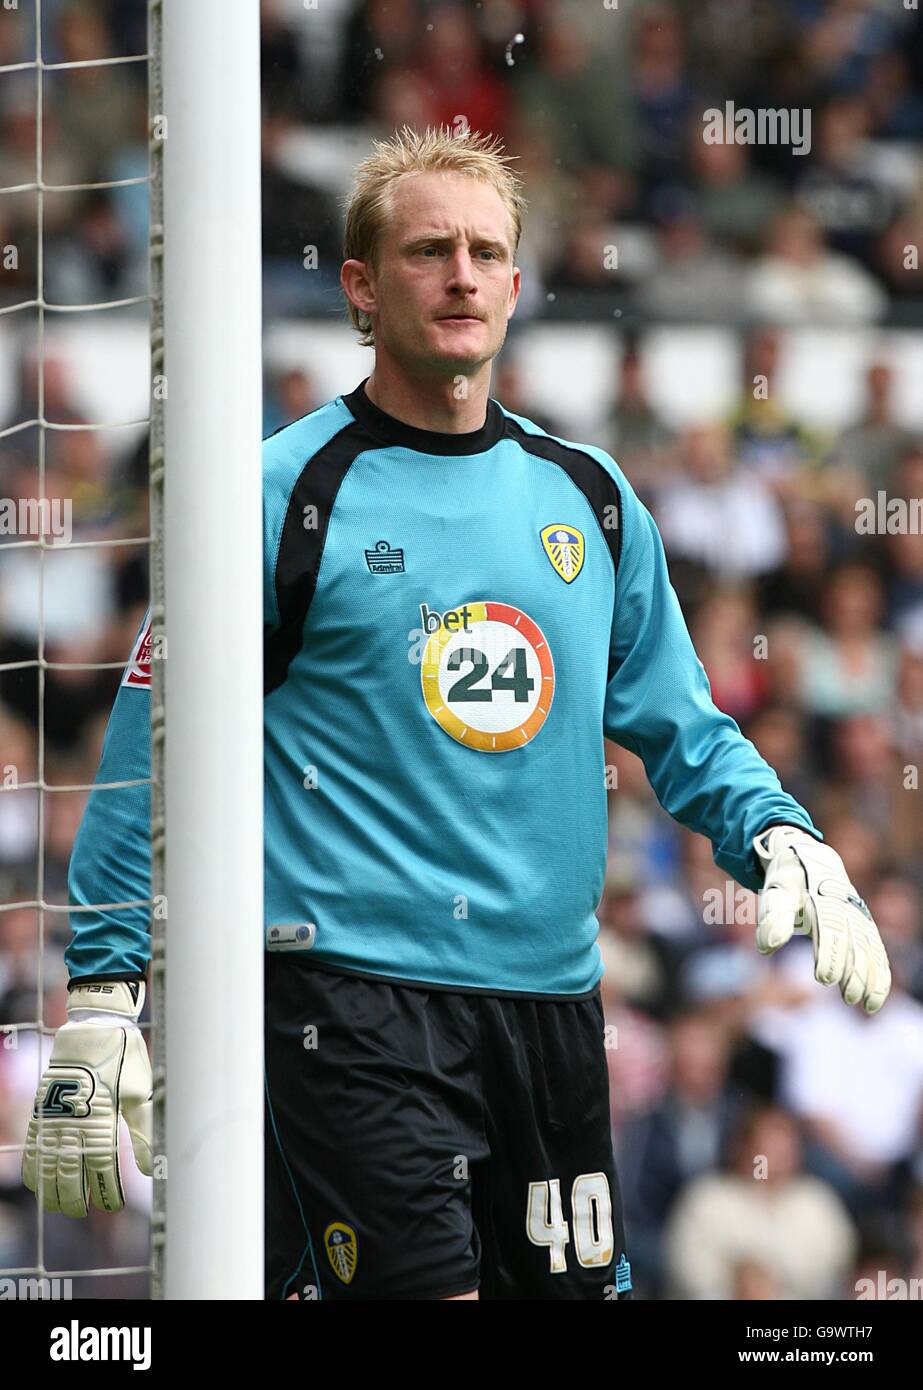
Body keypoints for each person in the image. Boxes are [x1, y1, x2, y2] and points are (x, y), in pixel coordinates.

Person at [21, 126, 892, 1301]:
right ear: (362, 287)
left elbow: (681, 724)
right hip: (351, 1003)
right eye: (430, 250)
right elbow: (150, 737)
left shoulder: (587, 494)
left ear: (519, 286)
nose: (463, 274)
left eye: (487, 251)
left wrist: (781, 833)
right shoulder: (279, 493)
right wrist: (102, 987)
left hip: (550, 1006)